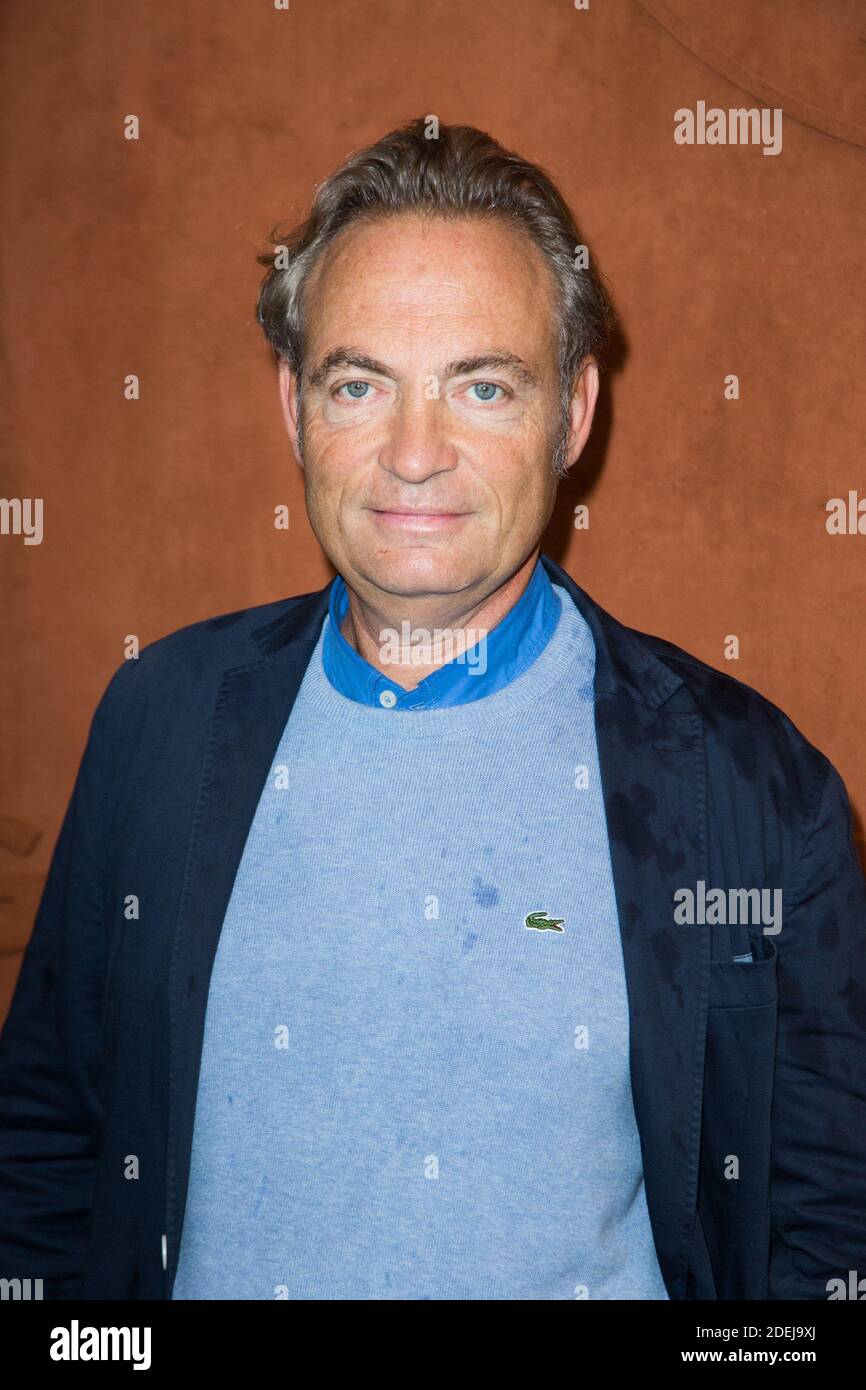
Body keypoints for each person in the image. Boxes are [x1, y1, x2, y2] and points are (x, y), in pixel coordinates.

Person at [1, 118, 865, 1302]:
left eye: (484, 385)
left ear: (570, 414)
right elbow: (46, 1150)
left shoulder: (751, 788)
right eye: (358, 383)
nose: (415, 454)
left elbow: (823, 1238)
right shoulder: (157, 720)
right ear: (295, 412)